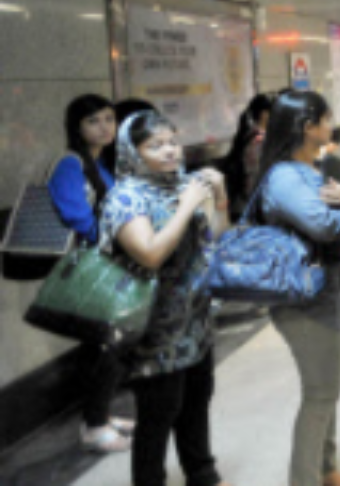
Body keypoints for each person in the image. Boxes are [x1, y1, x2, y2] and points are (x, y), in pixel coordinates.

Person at [100, 111, 231, 486]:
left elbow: (216, 241)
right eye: (154, 146)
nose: (170, 151)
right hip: (153, 329)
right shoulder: (126, 197)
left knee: (196, 402)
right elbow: (151, 253)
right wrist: (188, 204)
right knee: (158, 416)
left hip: (195, 319)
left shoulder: (182, 184)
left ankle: (203, 475)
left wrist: (219, 197)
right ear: (132, 152)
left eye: (172, 141)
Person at [256, 91, 340, 486]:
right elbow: (322, 224)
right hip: (303, 299)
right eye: (327, 119)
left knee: (330, 385)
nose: (332, 125)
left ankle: (327, 469)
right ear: (308, 127)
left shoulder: (326, 167)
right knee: (320, 392)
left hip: (336, 292)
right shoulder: (283, 177)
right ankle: (305, 479)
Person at [49, 94, 133, 452]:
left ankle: (99, 415)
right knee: (102, 346)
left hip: (100, 264)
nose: (104, 127)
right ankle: (94, 426)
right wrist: (109, 242)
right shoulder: (71, 164)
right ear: (77, 127)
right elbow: (75, 214)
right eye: (93, 121)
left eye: (109, 119)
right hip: (87, 267)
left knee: (104, 344)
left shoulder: (96, 163)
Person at [219, 94, 273, 221]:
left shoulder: (249, 133)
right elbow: (253, 174)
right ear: (264, 114)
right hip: (250, 205)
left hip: (246, 202)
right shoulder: (258, 139)